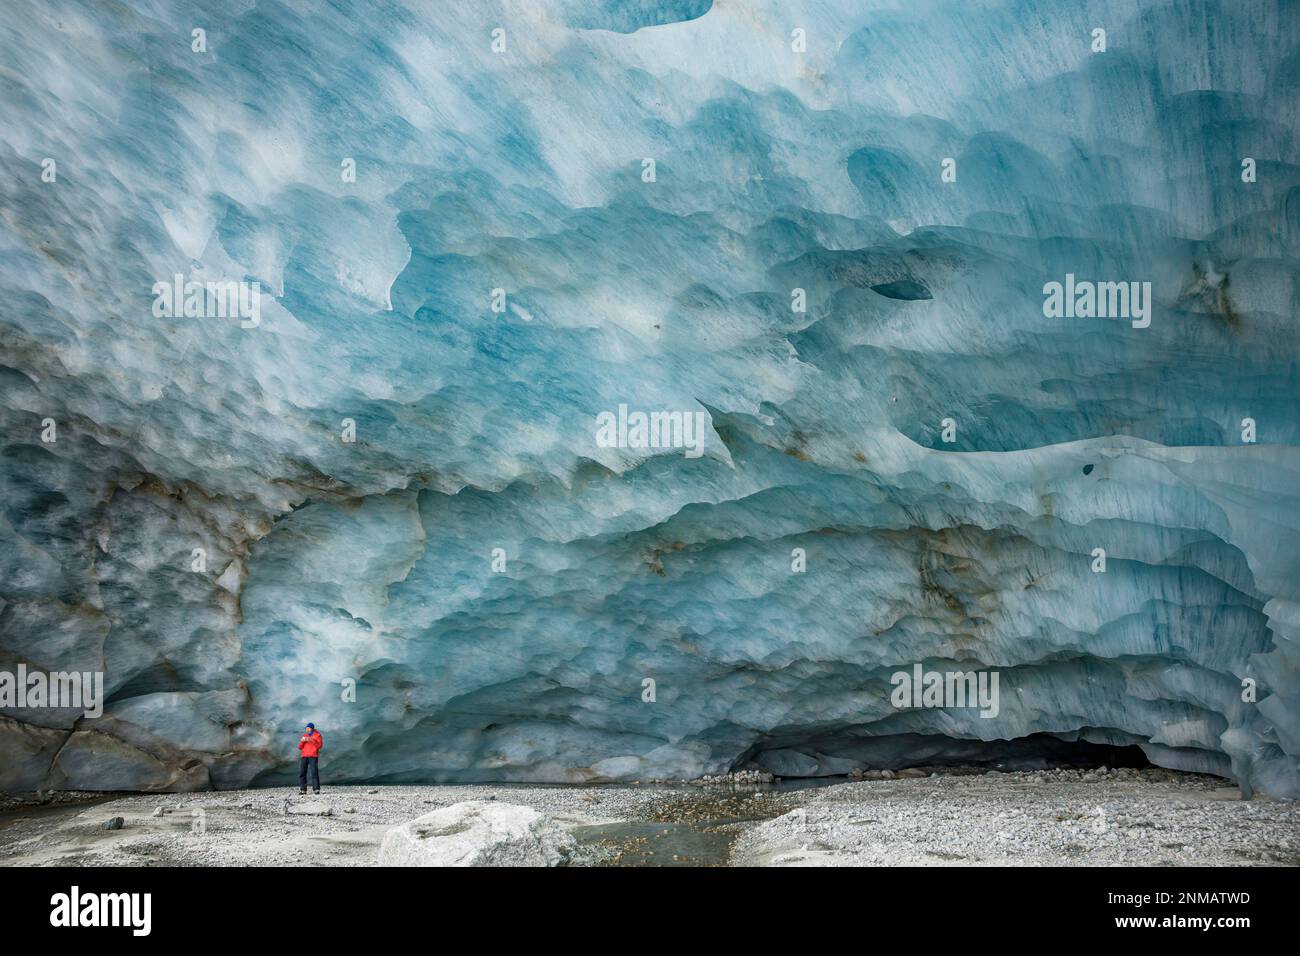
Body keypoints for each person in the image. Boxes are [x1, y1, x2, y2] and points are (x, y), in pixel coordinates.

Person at [297, 722, 323, 794]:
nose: (307, 729)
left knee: (314, 772)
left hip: (313, 756)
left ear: (312, 728)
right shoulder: (305, 735)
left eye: (308, 728)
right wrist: (302, 741)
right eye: (306, 728)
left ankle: (316, 789)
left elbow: (319, 746)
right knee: (302, 773)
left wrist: (311, 740)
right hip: (304, 756)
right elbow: (300, 747)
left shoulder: (317, 735)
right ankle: (303, 789)